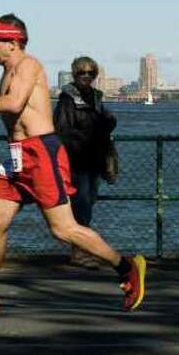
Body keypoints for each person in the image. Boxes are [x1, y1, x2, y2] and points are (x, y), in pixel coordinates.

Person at [0, 14, 146, 314]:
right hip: (16, 156)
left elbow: (13, 104)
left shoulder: (29, 65)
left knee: (63, 229)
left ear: (12, 42)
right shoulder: (7, 71)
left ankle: (126, 267)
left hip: (41, 154)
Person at [55, 56, 117, 268]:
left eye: (91, 73)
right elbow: (62, 129)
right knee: (81, 204)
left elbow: (105, 120)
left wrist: (108, 122)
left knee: (89, 202)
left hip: (94, 158)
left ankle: (83, 249)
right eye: (82, 72)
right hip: (77, 159)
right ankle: (78, 251)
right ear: (74, 73)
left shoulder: (96, 97)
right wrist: (87, 134)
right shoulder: (67, 98)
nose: (86, 76)